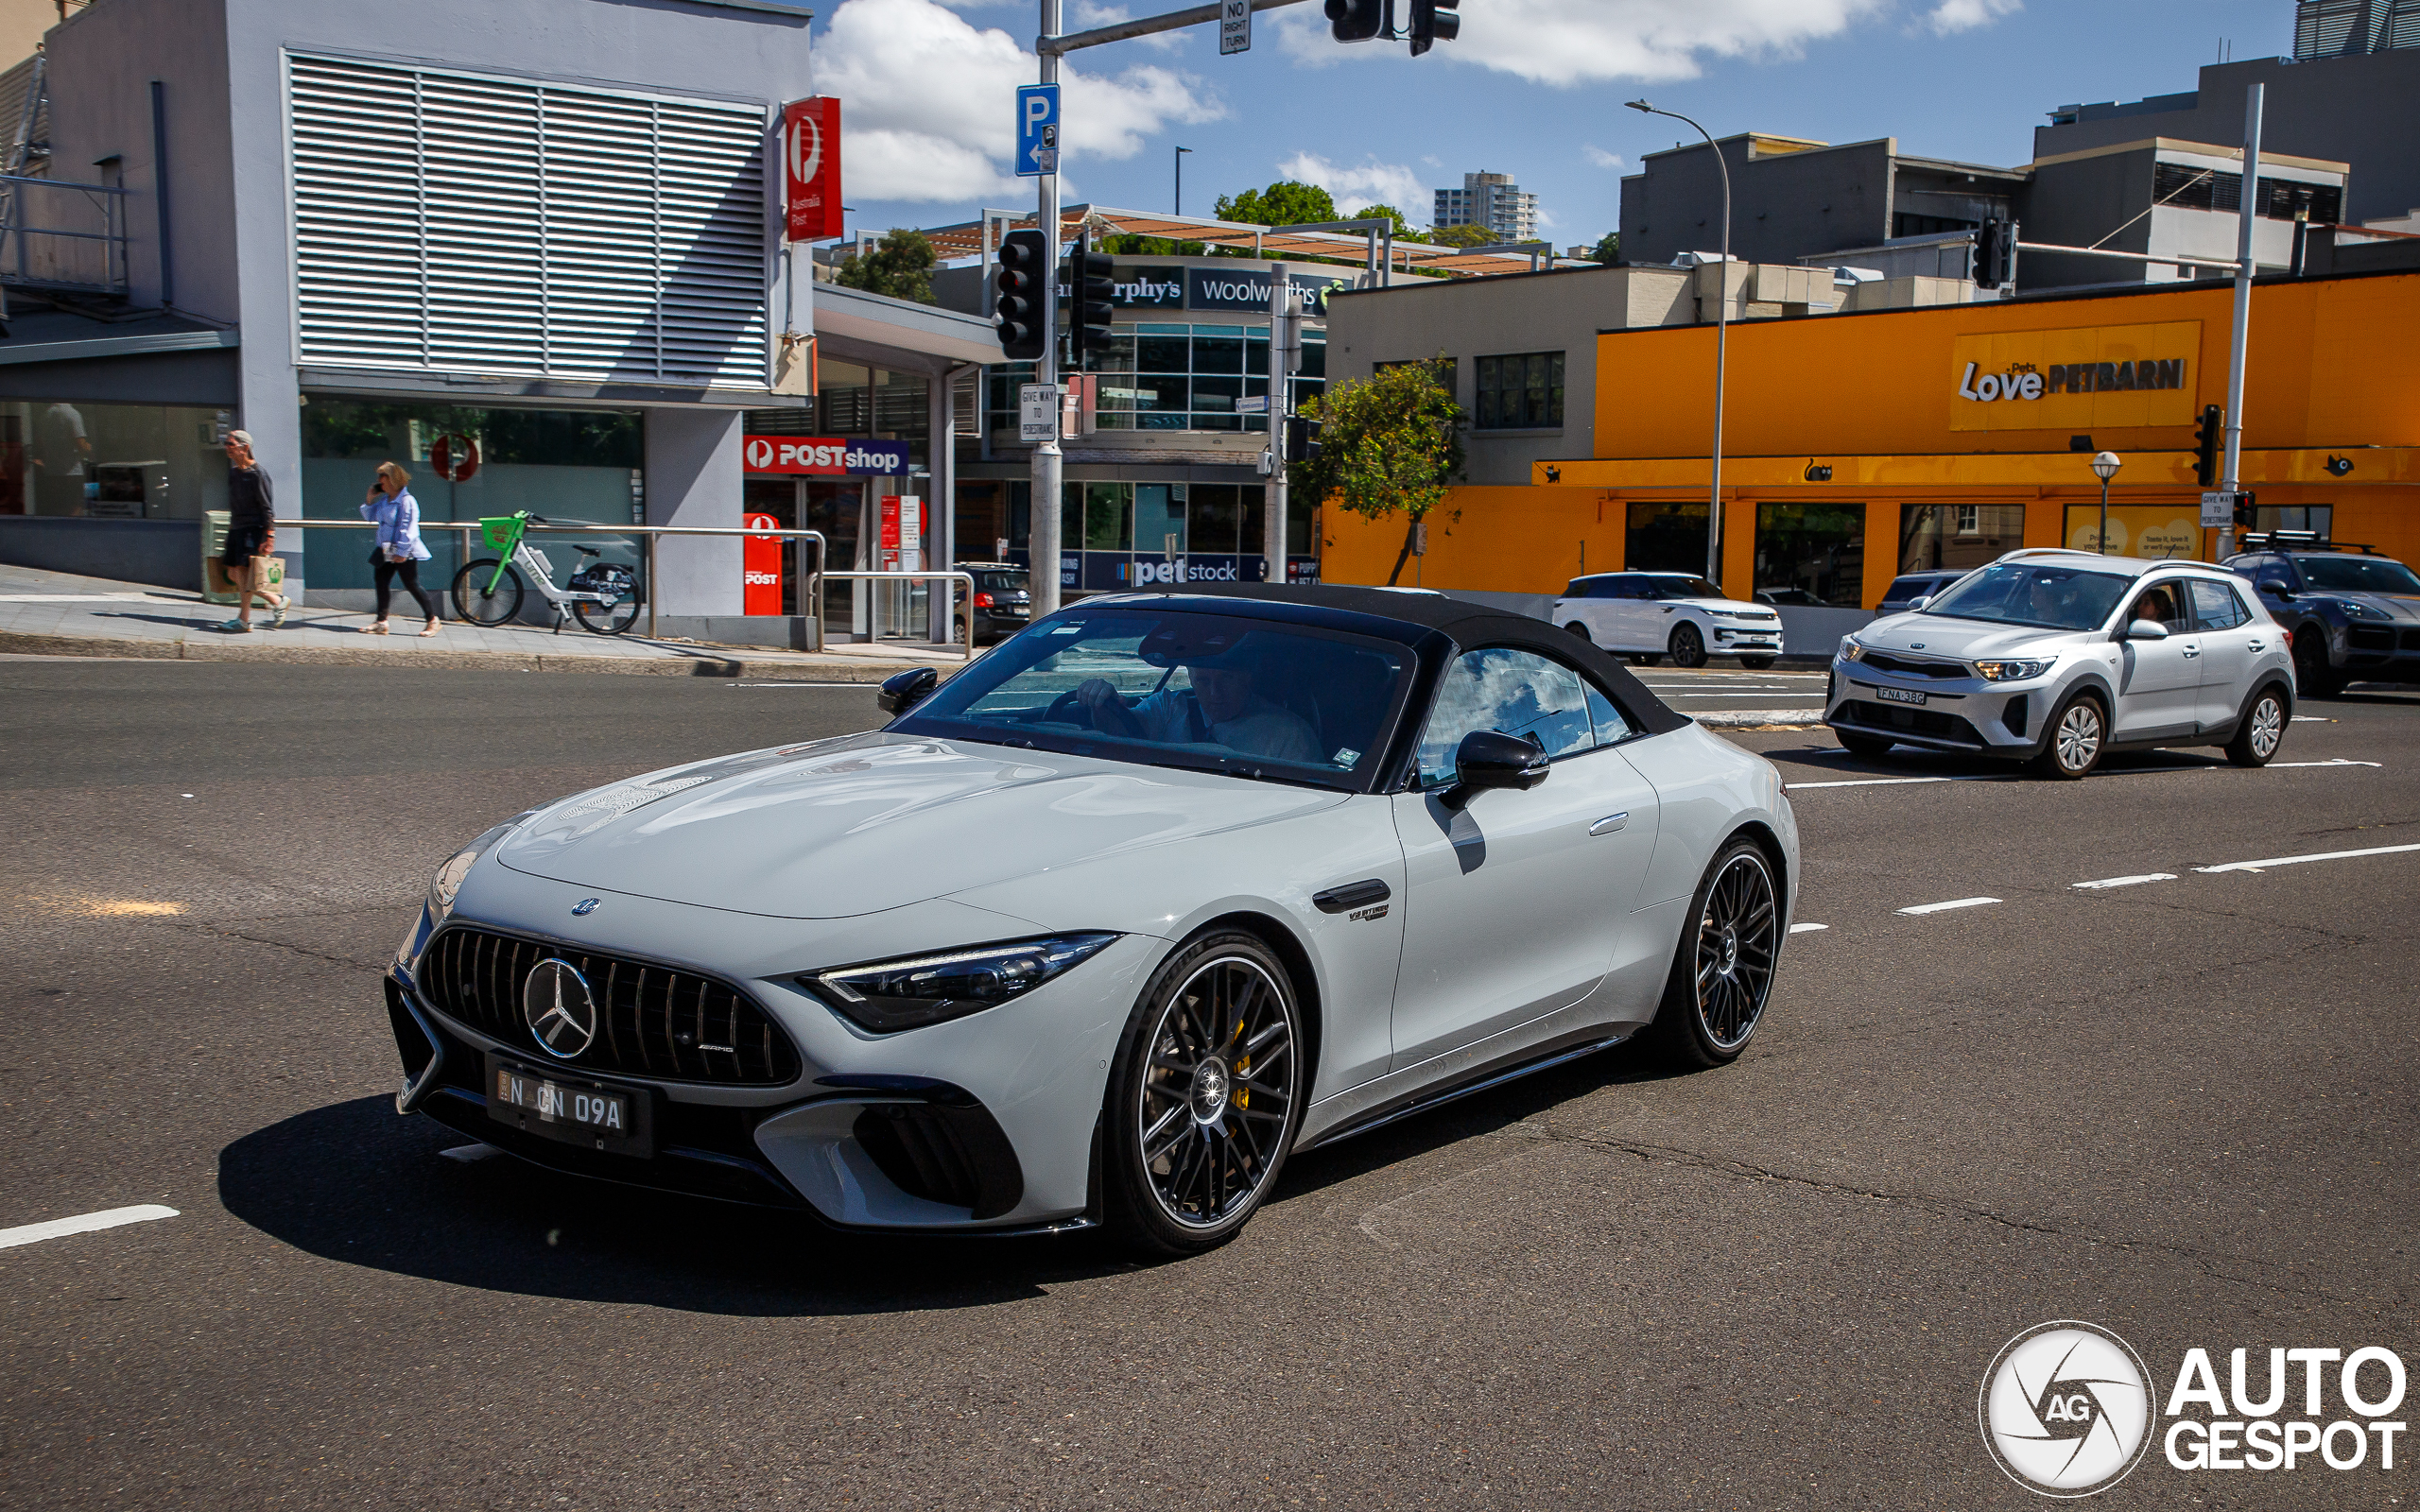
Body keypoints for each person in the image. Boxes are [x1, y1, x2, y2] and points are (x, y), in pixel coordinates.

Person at [1074, 654, 1321, 762]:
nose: (1215, 693)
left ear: (1247, 677)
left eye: (1226, 679)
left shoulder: (1288, 734)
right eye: (1203, 681)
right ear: (1190, 678)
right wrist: (1101, 703)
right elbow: (1122, 731)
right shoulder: (1169, 707)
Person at [217, 429, 290, 632]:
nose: (227, 448)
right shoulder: (233, 473)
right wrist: (230, 531)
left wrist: (269, 536)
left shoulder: (258, 474)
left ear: (245, 448)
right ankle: (276, 600)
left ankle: (243, 619)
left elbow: (267, 508)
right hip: (237, 528)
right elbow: (234, 504)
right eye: (226, 444)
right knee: (233, 573)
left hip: (252, 529)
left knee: (244, 573)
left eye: (231, 444)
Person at [361, 460, 440, 636]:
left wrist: (402, 551)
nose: (379, 480)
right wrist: (369, 499)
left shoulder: (406, 501)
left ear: (392, 479)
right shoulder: (385, 501)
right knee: (381, 581)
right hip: (387, 548)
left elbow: (409, 528)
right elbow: (370, 516)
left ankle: (432, 620)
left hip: (403, 549)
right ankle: (381, 621)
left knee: (411, 584)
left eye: (382, 476)